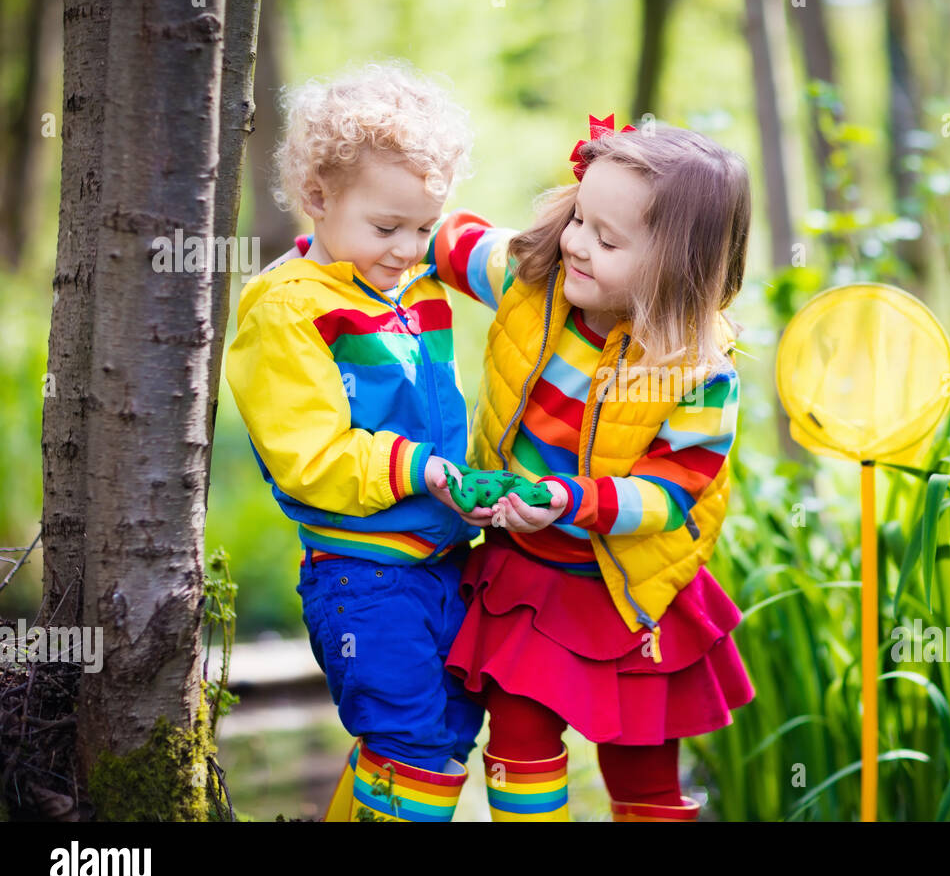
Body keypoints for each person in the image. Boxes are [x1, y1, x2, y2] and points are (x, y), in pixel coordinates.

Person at [434, 115, 757, 821]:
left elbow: (672, 494)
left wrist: (570, 498)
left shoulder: (697, 373)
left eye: (608, 240)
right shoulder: (534, 280)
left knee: (643, 767)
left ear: (678, 270)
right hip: (528, 576)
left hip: (633, 590)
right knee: (518, 745)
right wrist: (334, 246)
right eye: (580, 217)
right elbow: (443, 238)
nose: (578, 243)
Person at [224, 62, 485, 822]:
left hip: (443, 562)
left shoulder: (407, 284)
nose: (410, 250)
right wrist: (420, 469)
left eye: (424, 228)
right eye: (386, 228)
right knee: (407, 746)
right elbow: (308, 458)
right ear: (318, 199)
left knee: (445, 740)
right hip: (364, 578)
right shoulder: (290, 310)